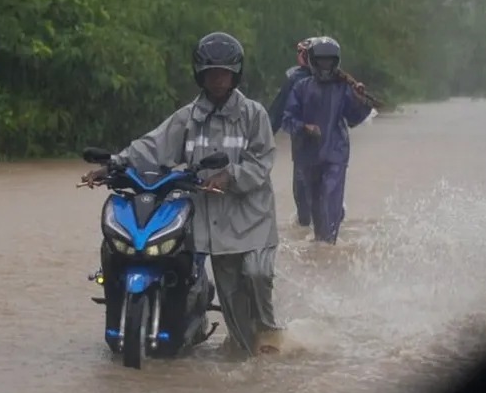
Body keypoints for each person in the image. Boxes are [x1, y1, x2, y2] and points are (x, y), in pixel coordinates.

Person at [81, 31, 282, 357]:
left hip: (251, 218)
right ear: (200, 75)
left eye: (224, 73)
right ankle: (246, 356)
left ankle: (270, 335)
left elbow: (261, 163)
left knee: (257, 275)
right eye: (211, 73)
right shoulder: (188, 116)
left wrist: (229, 176)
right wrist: (114, 163)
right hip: (211, 220)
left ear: (235, 74)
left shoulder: (253, 114)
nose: (218, 80)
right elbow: (153, 145)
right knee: (231, 298)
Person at [281, 37, 373, 245]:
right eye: (321, 61)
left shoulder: (343, 89)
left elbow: (354, 118)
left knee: (330, 197)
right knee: (314, 204)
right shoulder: (301, 87)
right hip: (308, 155)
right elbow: (287, 119)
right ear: (313, 61)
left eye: (328, 62)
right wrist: (304, 127)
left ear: (336, 62)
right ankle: (321, 243)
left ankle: (328, 245)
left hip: (335, 154)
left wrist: (361, 101)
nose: (325, 67)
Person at [267, 37, 319, 227]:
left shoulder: (333, 80)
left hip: (320, 144)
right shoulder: (295, 78)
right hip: (305, 141)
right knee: (305, 187)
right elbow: (279, 113)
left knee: (308, 186)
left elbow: (277, 113)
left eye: (302, 52)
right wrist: (263, 136)